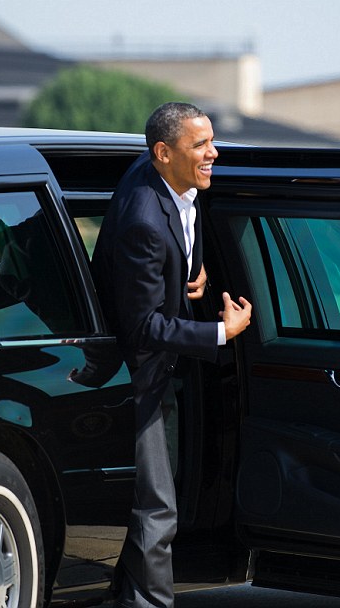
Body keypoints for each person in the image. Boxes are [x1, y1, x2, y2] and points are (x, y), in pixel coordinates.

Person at [89, 102, 253, 608]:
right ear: (162, 154)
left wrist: (187, 278)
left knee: (151, 507)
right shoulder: (143, 219)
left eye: (212, 140)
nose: (213, 153)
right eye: (200, 146)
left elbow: (167, 263)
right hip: (136, 381)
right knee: (157, 511)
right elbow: (141, 327)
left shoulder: (177, 183)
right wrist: (221, 333)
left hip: (162, 374)